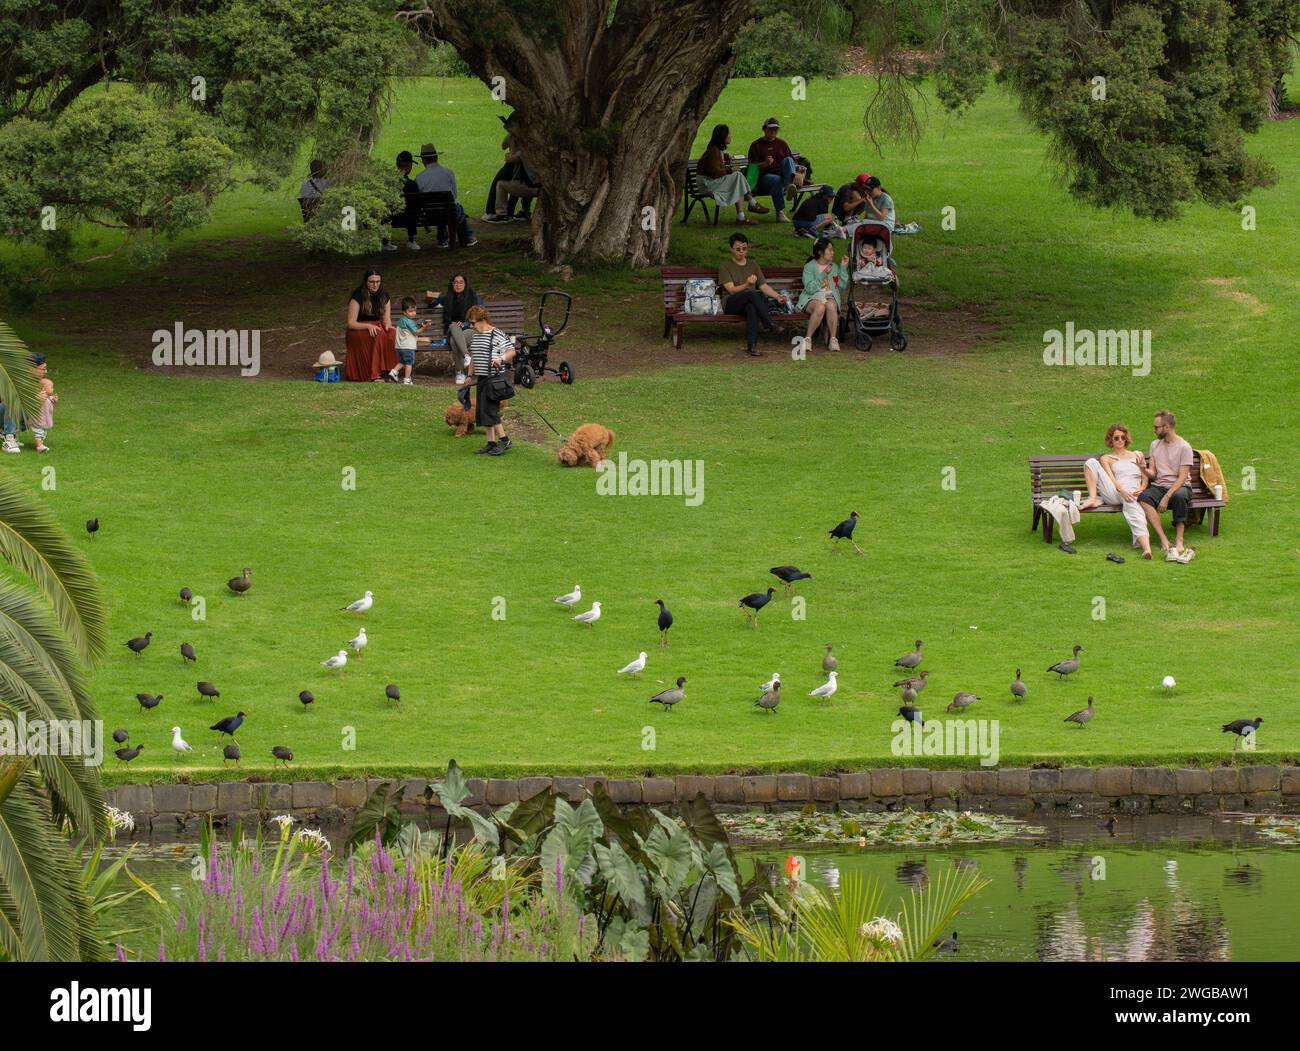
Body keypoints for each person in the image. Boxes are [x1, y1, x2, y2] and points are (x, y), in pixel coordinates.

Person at [1080, 424, 1153, 559]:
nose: (1120, 440)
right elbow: (1111, 479)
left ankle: (1146, 549)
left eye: (1123, 437)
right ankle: (1092, 498)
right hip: (1114, 491)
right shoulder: (1106, 458)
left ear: (1126, 439)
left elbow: (1145, 477)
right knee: (1090, 462)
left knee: (1132, 504)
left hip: (1134, 491)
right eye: (1116, 438)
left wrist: (1142, 489)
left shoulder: (1137, 455)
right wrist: (1122, 490)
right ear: (1111, 440)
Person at [717, 233, 791, 358]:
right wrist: (747, 284)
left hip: (750, 301)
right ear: (731, 249)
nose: (741, 252)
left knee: (751, 307)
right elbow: (731, 290)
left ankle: (752, 346)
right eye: (738, 249)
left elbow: (763, 286)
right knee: (751, 293)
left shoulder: (753, 264)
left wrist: (777, 296)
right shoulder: (725, 265)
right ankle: (769, 324)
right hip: (731, 302)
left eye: (744, 249)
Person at [1139, 410, 1197, 562]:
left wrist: (1166, 497)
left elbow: (1183, 477)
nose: (1154, 430)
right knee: (1144, 498)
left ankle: (1179, 541)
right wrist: (1143, 469)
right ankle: (1164, 540)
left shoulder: (1184, 447)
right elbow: (1153, 473)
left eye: (1157, 427)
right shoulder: (1154, 445)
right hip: (1160, 485)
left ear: (1167, 427)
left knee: (1179, 496)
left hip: (1180, 486)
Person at [466, 305, 519, 456]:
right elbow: (474, 358)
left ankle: (505, 440)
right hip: (482, 378)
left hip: (495, 379)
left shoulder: (497, 334)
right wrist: (469, 376)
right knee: (482, 411)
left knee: (491, 410)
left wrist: (501, 358)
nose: (471, 326)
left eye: (473, 322)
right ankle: (491, 443)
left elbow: (511, 351)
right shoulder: (475, 335)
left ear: (482, 320)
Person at [698, 125, 767, 224]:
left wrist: (725, 158)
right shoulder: (714, 151)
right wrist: (731, 170)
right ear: (722, 136)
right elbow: (714, 172)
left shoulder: (717, 150)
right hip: (707, 184)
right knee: (737, 176)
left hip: (711, 181)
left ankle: (742, 216)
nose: (731, 136)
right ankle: (752, 204)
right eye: (728, 134)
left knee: (737, 181)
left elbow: (715, 167)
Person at [414, 144, 478, 247]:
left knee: (439, 207)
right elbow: (454, 195)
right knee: (456, 207)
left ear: (423, 160)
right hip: (449, 212)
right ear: (436, 157)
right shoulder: (448, 173)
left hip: (430, 215)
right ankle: (467, 237)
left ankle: (442, 239)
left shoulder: (419, 178)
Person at [424, 274, 483, 384]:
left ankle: (459, 373)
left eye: (461, 282)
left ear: (466, 284)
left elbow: (479, 314)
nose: (458, 285)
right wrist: (431, 300)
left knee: (453, 341)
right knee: (452, 325)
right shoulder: (448, 297)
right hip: (452, 330)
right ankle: (466, 356)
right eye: (455, 282)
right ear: (452, 284)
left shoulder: (474, 298)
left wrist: (465, 324)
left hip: (470, 330)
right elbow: (432, 303)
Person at [343, 269, 398, 382]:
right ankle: (375, 373)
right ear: (365, 282)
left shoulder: (384, 295)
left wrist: (390, 328)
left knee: (393, 333)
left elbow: (387, 320)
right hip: (358, 329)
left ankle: (389, 371)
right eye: (372, 282)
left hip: (376, 327)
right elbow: (351, 323)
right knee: (377, 333)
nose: (375, 284)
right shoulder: (358, 295)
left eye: (378, 281)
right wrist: (368, 326)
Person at [796, 238, 848, 352]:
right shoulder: (809, 266)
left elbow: (842, 284)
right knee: (820, 307)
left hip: (829, 297)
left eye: (832, 250)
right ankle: (808, 339)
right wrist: (824, 274)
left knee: (830, 305)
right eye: (830, 250)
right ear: (820, 252)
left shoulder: (834, 266)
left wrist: (843, 267)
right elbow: (809, 289)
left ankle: (833, 340)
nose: (832, 252)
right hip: (812, 298)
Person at [747, 117, 798, 222]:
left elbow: (791, 162)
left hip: (782, 176)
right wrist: (765, 164)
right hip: (764, 177)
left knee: (788, 159)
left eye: (775, 129)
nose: (773, 131)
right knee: (777, 180)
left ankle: (790, 186)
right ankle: (780, 212)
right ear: (764, 129)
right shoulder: (756, 145)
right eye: (770, 129)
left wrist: (799, 168)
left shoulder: (782, 143)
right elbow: (752, 169)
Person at [387, 297, 431, 385]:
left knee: (402, 361)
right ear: (404, 312)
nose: (413, 313)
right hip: (408, 347)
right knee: (409, 363)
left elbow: (410, 330)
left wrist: (421, 325)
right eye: (410, 311)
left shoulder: (402, 320)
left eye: (414, 310)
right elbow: (416, 332)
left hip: (400, 347)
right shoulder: (409, 321)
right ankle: (407, 379)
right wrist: (424, 327)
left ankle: (394, 372)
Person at [382, 151, 420, 251]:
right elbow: (416, 205)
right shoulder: (412, 185)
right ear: (409, 166)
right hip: (409, 218)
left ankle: (385, 242)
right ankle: (411, 240)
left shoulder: (387, 183)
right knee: (413, 209)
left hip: (390, 218)